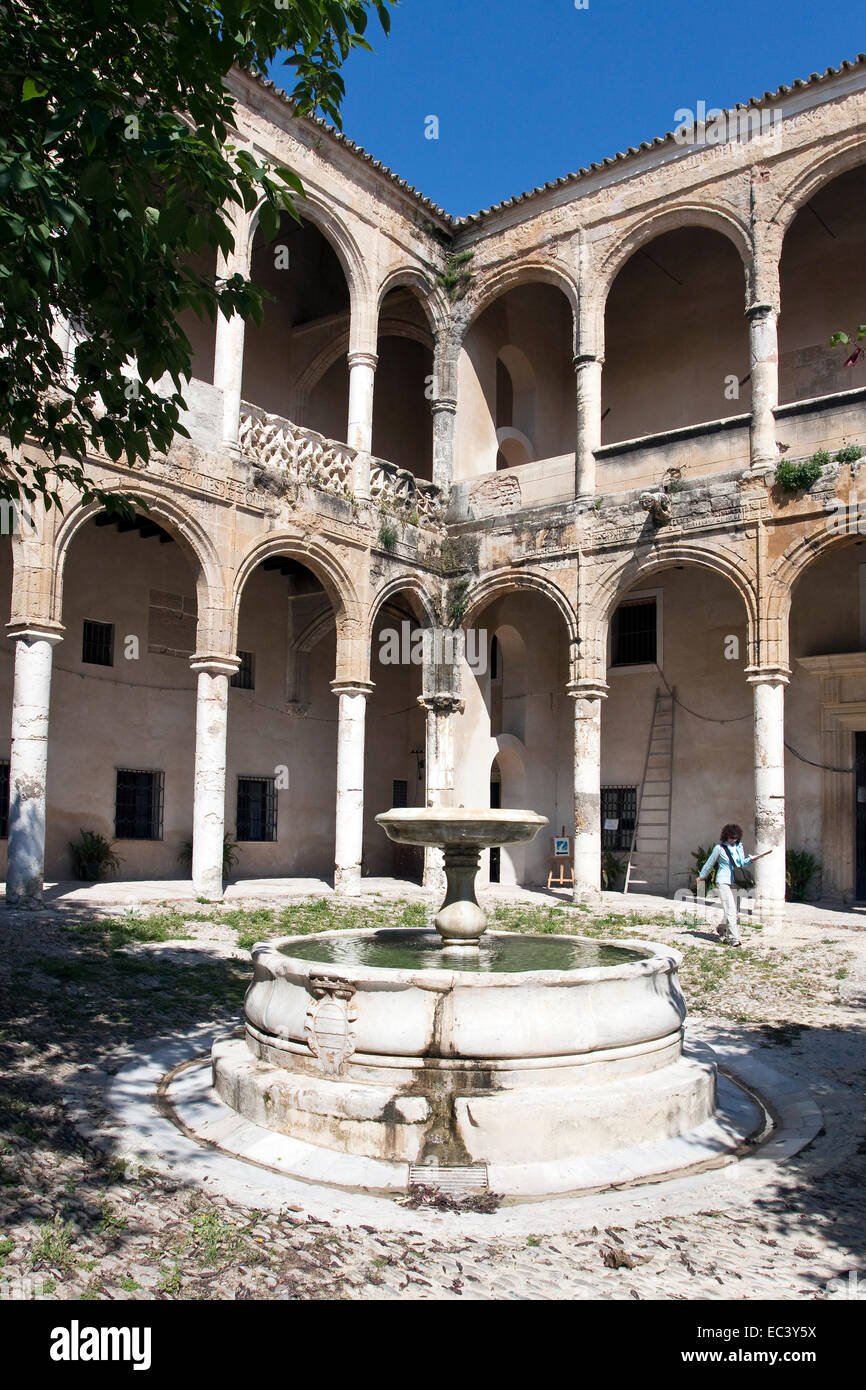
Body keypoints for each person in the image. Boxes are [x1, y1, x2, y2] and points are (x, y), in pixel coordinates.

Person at [698, 824, 770, 946]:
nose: (733, 840)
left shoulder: (739, 847)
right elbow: (710, 863)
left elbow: (741, 863)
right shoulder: (719, 848)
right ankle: (734, 938)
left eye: (736, 838)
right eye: (731, 837)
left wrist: (752, 859)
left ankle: (722, 928)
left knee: (733, 910)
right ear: (726, 836)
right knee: (730, 908)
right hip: (723, 880)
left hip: (736, 881)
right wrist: (701, 876)